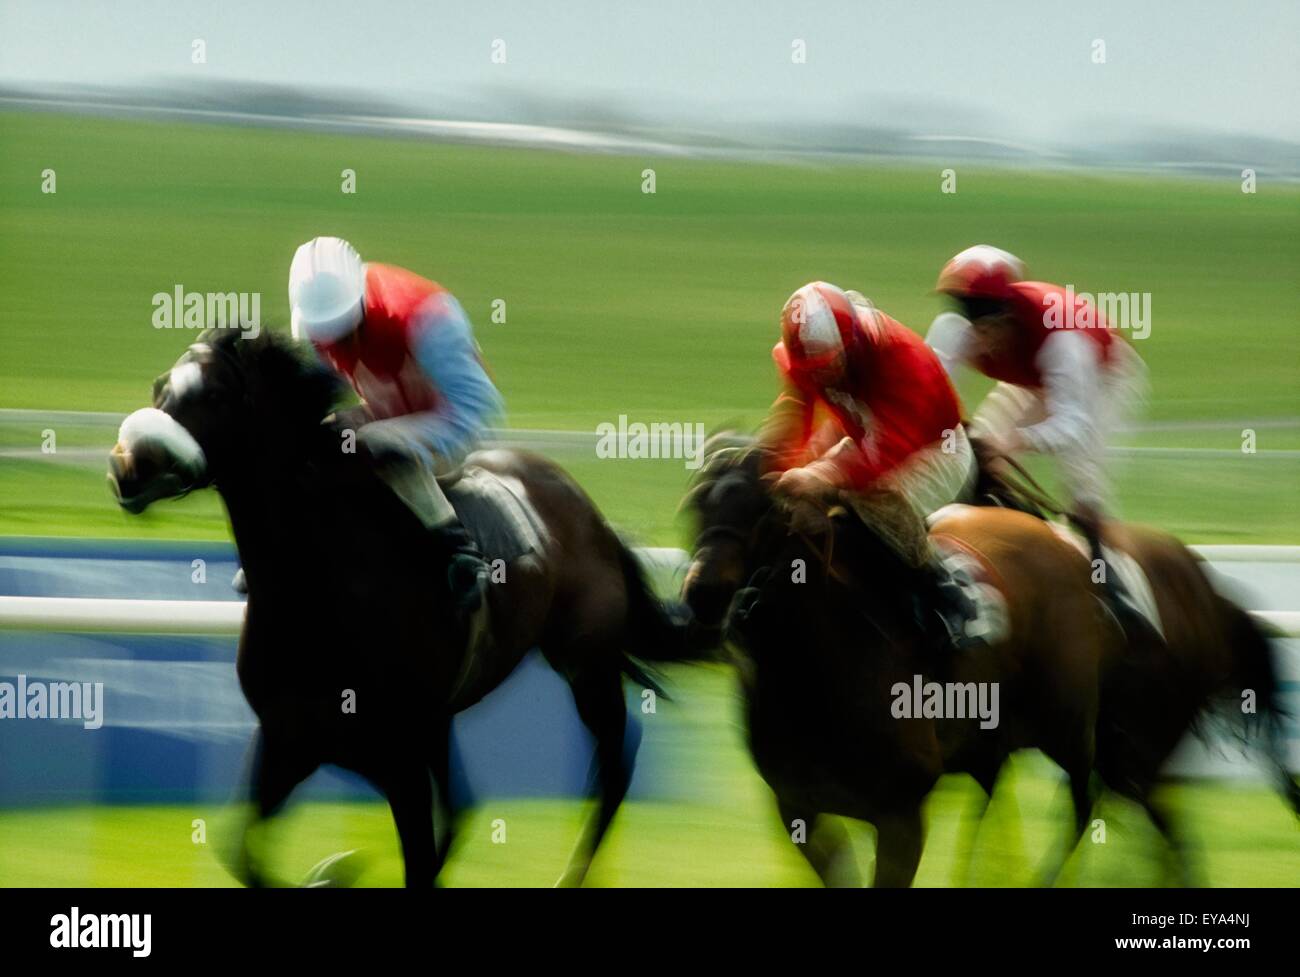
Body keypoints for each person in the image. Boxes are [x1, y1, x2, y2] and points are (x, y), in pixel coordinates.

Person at [927, 244, 1153, 635]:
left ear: (1009, 314)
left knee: (1081, 486)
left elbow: (1073, 426)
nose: (976, 335)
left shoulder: (1063, 338)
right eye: (968, 316)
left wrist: (1014, 440)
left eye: (987, 322)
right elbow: (929, 394)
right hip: (1031, 379)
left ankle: (1114, 587)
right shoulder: (954, 330)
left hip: (1100, 378)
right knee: (977, 456)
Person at [760, 280, 982, 650]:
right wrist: (781, 463)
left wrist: (820, 474)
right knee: (794, 506)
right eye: (810, 369)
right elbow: (799, 408)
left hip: (932, 449)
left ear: (852, 343)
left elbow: (886, 456)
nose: (818, 376)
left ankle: (947, 587)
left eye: (826, 366)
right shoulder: (811, 357)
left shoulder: (908, 363)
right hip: (866, 434)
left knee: (877, 504)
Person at [287, 236, 502, 613]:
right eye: (325, 334)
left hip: (453, 419)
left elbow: (478, 406)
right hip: (391, 413)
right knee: (322, 444)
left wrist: (401, 441)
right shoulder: (316, 324)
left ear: (361, 305)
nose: (333, 344)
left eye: (341, 330)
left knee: (375, 445)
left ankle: (461, 552)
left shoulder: (426, 317)